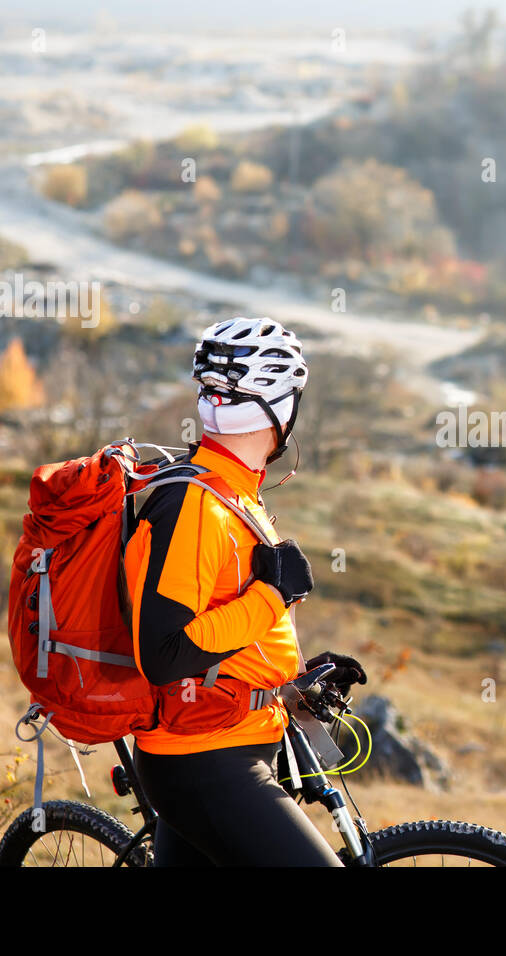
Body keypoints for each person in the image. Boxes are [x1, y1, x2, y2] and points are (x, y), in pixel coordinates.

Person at [124, 316, 367, 866]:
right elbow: (164, 654)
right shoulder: (196, 504)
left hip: (225, 745)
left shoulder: (233, 495)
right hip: (208, 760)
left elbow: (229, 641)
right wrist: (270, 598)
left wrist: (294, 678)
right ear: (282, 408)